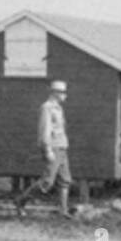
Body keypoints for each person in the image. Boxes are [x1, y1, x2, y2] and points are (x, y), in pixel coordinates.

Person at [15, 79, 72, 217]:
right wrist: (47, 149)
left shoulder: (59, 108)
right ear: (55, 93)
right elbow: (44, 129)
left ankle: (63, 211)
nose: (65, 95)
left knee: (65, 179)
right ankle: (20, 201)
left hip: (62, 146)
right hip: (53, 147)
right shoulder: (47, 108)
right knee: (47, 181)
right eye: (62, 92)